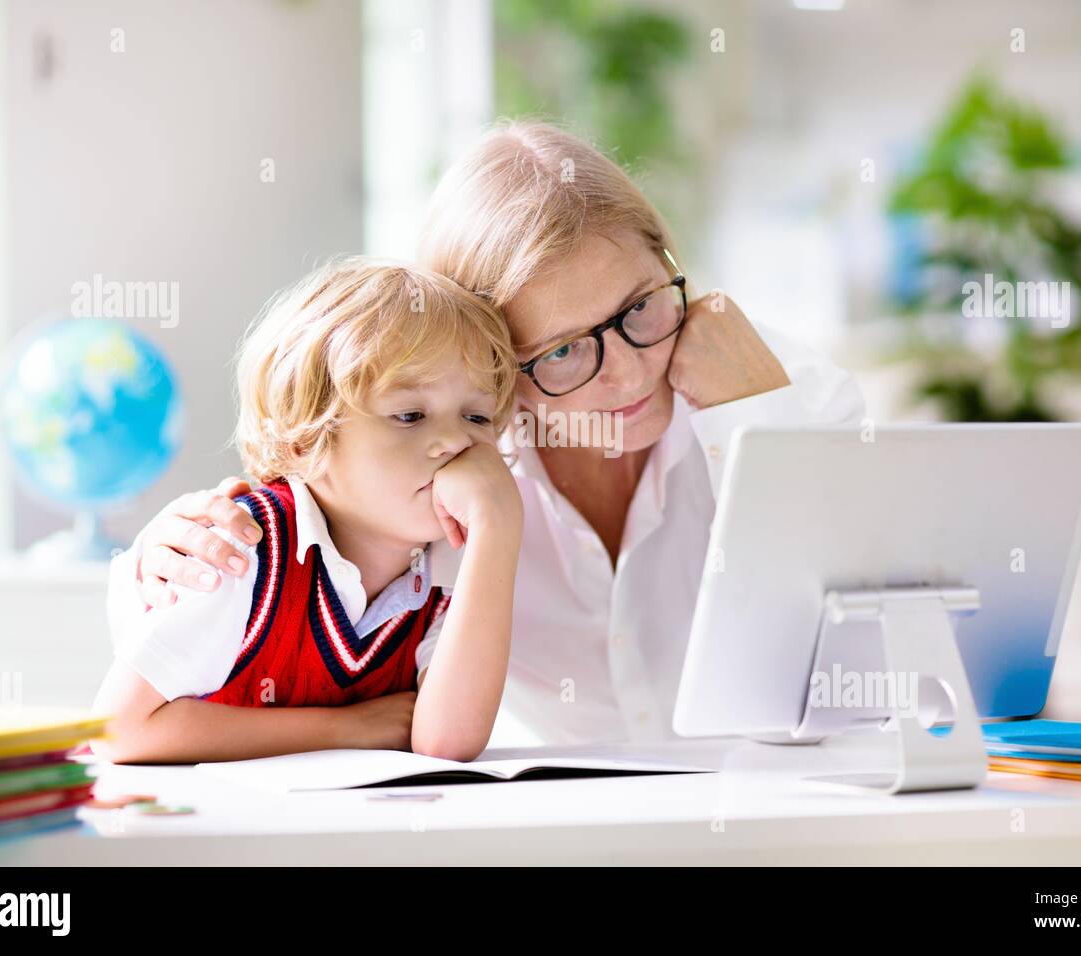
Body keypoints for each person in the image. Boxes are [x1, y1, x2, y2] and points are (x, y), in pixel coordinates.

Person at [108, 121, 865, 746]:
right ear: (491, 364)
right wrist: (170, 550)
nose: (629, 373)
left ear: (668, 264)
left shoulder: (783, 389)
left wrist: (752, 415)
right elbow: (303, 534)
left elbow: (866, 675)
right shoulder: (446, 464)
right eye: (563, 351)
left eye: (640, 308)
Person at [92, 258, 523, 763]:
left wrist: (497, 524)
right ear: (305, 441)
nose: (454, 440)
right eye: (410, 415)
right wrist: (349, 728)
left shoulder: (446, 574)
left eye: (477, 416)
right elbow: (119, 730)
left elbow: (447, 742)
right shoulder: (247, 549)